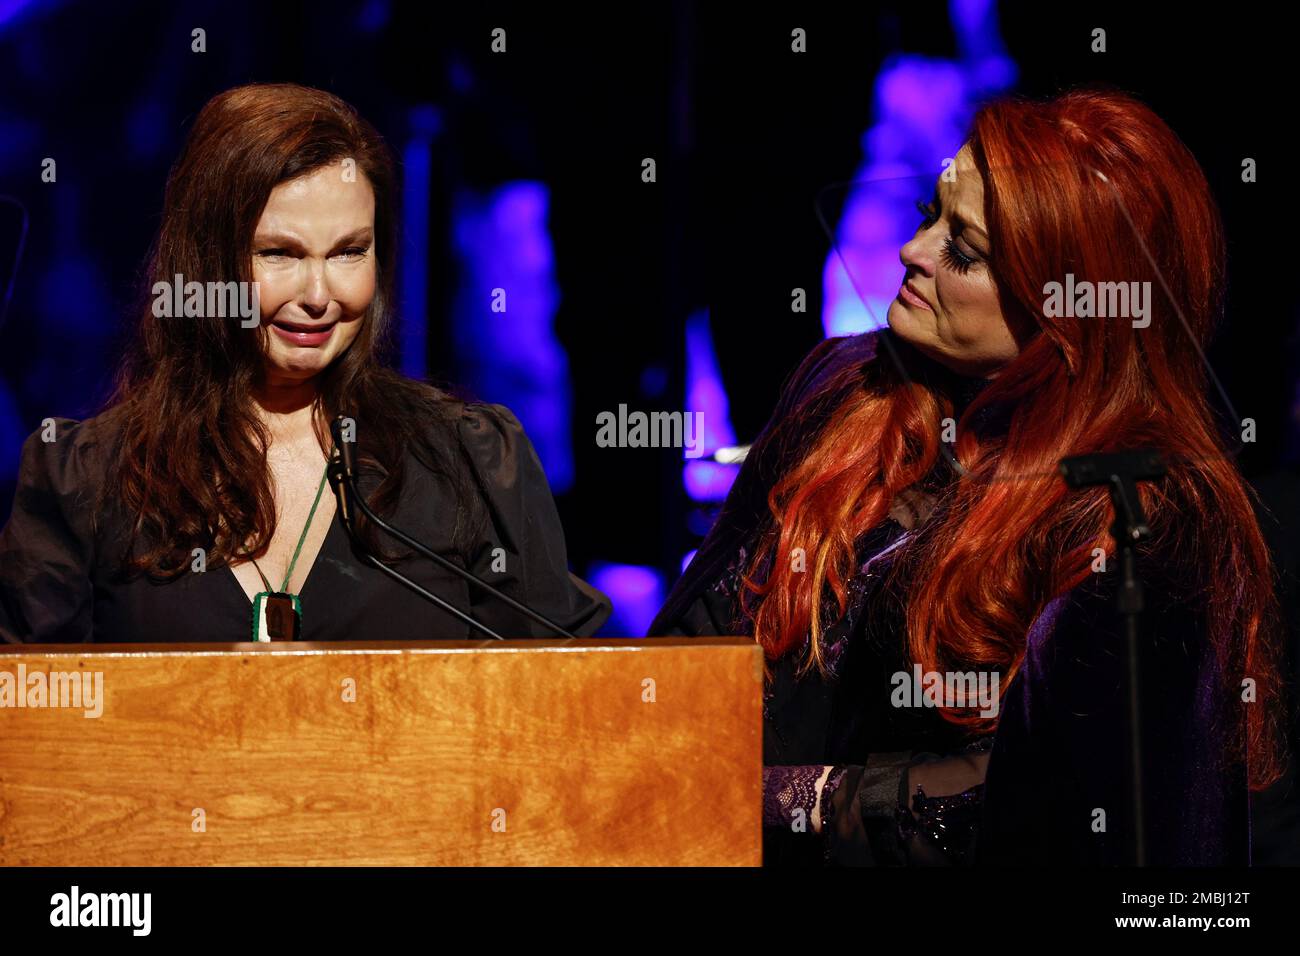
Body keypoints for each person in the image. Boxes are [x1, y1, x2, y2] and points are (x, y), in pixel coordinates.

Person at [651, 88, 1289, 865]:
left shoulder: (1144, 512)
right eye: (929, 214)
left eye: (965, 250)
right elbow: (697, 643)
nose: (912, 252)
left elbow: (1043, 807)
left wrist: (796, 798)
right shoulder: (850, 389)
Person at [0, 83, 609, 644]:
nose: (319, 295)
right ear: (207, 263)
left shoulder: (471, 461)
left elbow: (570, 695)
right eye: (279, 254)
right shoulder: (86, 479)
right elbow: (31, 729)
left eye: (349, 252)